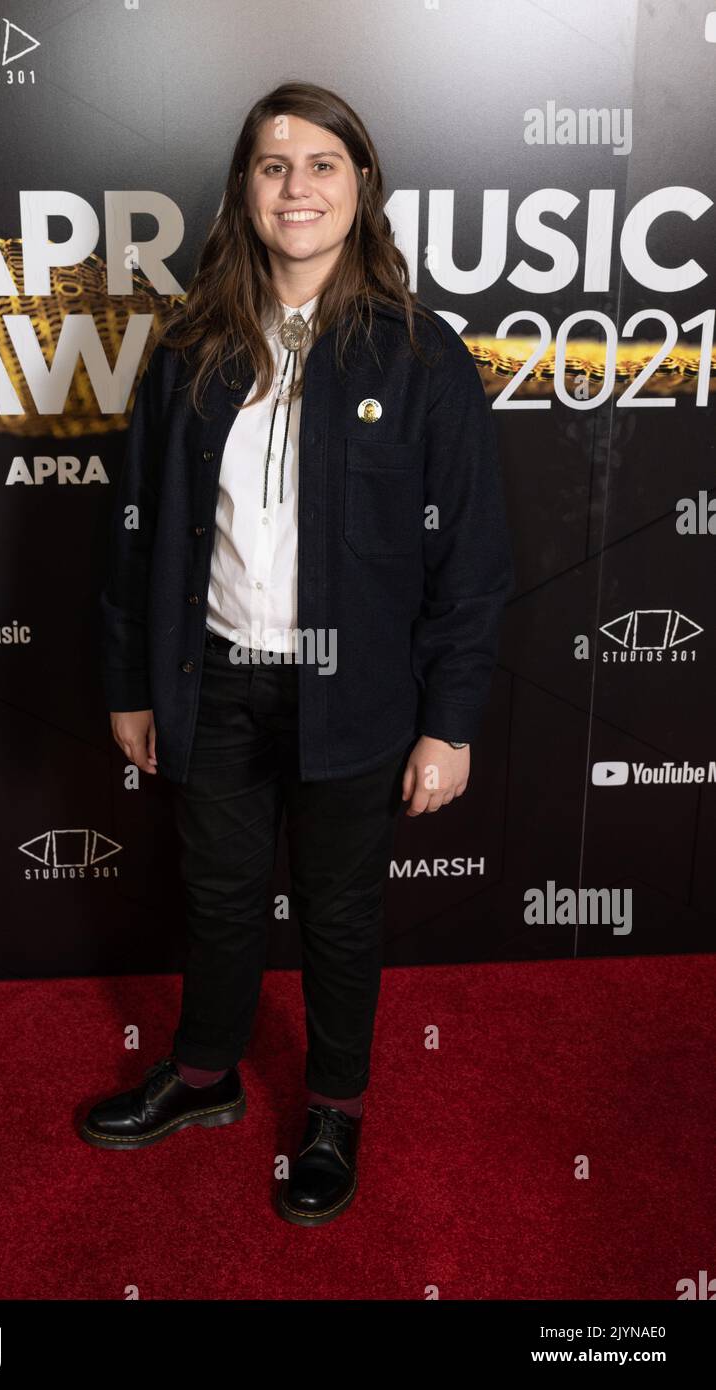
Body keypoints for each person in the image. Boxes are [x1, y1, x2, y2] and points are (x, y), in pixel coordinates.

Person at [80, 81, 515, 1227]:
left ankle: (331, 1108)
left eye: (321, 164)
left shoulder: (422, 358)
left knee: (337, 913)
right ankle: (206, 1074)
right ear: (244, 190)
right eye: (274, 166)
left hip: (358, 695)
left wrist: (448, 719)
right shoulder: (188, 350)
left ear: (359, 185)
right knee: (218, 899)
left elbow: (468, 562)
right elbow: (140, 533)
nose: (297, 187)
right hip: (213, 680)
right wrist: (129, 684)